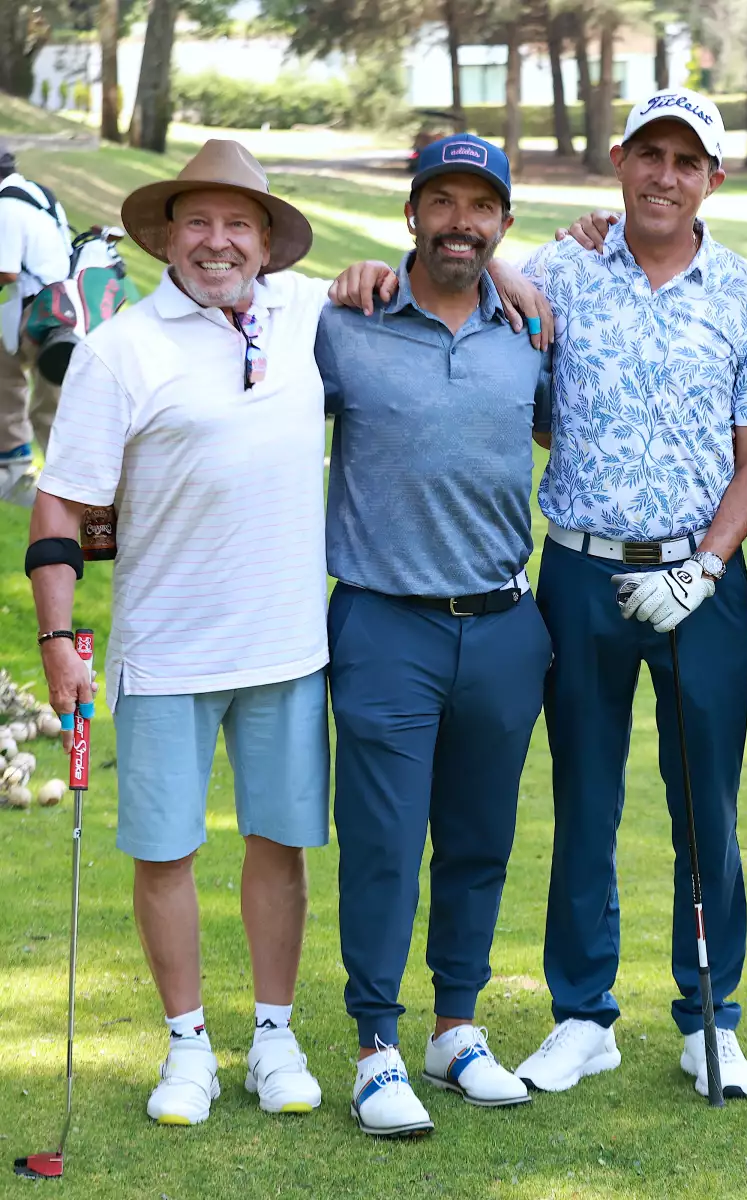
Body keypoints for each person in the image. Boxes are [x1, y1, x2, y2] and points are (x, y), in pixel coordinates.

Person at [28, 140, 335, 1129]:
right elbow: (61, 501)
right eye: (197, 222)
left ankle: (276, 1038)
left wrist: (505, 263)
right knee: (164, 853)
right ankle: (189, 1046)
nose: (217, 242)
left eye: (238, 223)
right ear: (165, 237)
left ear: (266, 242)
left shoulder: (308, 314)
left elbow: (424, 273)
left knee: (279, 843)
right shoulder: (125, 347)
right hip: (164, 651)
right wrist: (58, 638)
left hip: (287, 645)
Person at [510, 89, 747, 1102]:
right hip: (578, 569)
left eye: (687, 161)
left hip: (699, 578)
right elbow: (515, 386)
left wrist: (704, 566)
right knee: (585, 793)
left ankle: (711, 1017)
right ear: (619, 159)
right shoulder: (558, 270)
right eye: (650, 154)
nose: (665, 176)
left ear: (713, 178)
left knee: (703, 800)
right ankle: (583, 1015)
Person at [317, 134, 553, 1138]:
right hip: (384, 625)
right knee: (382, 845)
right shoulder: (347, 322)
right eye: (442, 201)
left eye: (481, 205)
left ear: (503, 221)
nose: (461, 220)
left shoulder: (530, 331)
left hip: (503, 625)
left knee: (479, 841)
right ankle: (376, 1046)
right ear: (411, 213)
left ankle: (456, 1029)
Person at [0, 144, 71, 506]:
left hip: (36, 313)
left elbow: (6, 270)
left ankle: (18, 471)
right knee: (48, 402)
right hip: (63, 308)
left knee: (37, 402)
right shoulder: (36, 192)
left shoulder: (5, 207)